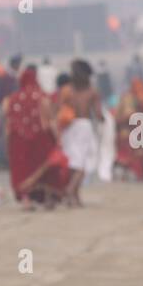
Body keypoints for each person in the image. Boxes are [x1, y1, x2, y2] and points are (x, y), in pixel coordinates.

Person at [3, 65, 67, 208]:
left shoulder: (11, 100)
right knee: (45, 168)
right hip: (40, 139)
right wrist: (58, 139)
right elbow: (49, 121)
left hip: (18, 140)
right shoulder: (42, 97)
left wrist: (8, 143)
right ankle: (47, 198)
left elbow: (8, 124)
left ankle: (26, 199)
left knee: (22, 169)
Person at [56, 59, 103, 206]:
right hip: (84, 126)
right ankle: (71, 190)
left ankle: (75, 197)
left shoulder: (66, 91)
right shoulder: (92, 91)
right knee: (83, 164)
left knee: (72, 163)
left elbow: (58, 109)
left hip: (69, 127)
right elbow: (98, 114)